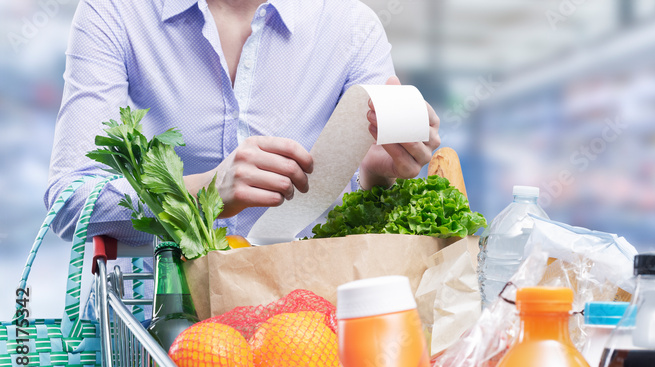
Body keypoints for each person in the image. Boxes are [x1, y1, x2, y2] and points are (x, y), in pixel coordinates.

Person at [46, 0, 441, 244]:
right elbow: (68, 201)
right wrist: (207, 193)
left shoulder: (353, 27)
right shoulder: (115, 12)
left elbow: (370, 193)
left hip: (301, 324)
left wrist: (377, 174)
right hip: (159, 321)